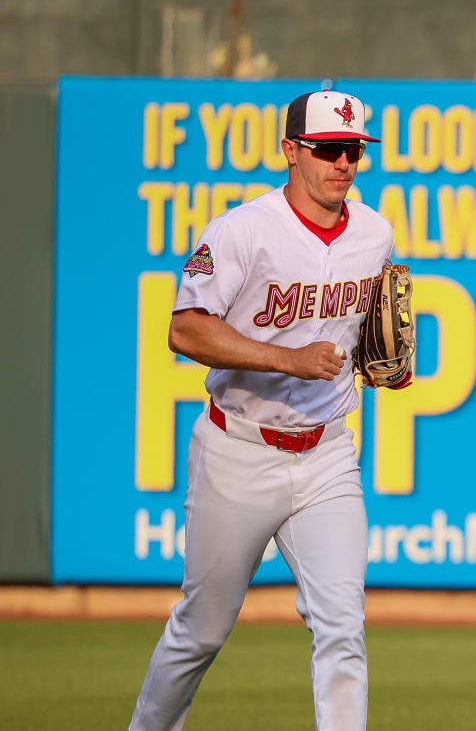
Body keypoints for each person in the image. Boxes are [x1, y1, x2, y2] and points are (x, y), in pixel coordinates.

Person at [129, 88, 404, 731]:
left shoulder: (375, 234)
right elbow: (185, 330)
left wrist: (382, 359)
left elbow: (365, 329)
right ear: (290, 150)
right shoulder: (243, 231)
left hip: (327, 453)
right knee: (200, 630)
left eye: (354, 149)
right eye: (328, 149)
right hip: (239, 449)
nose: (344, 162)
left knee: (343, 625)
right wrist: (287, 359)